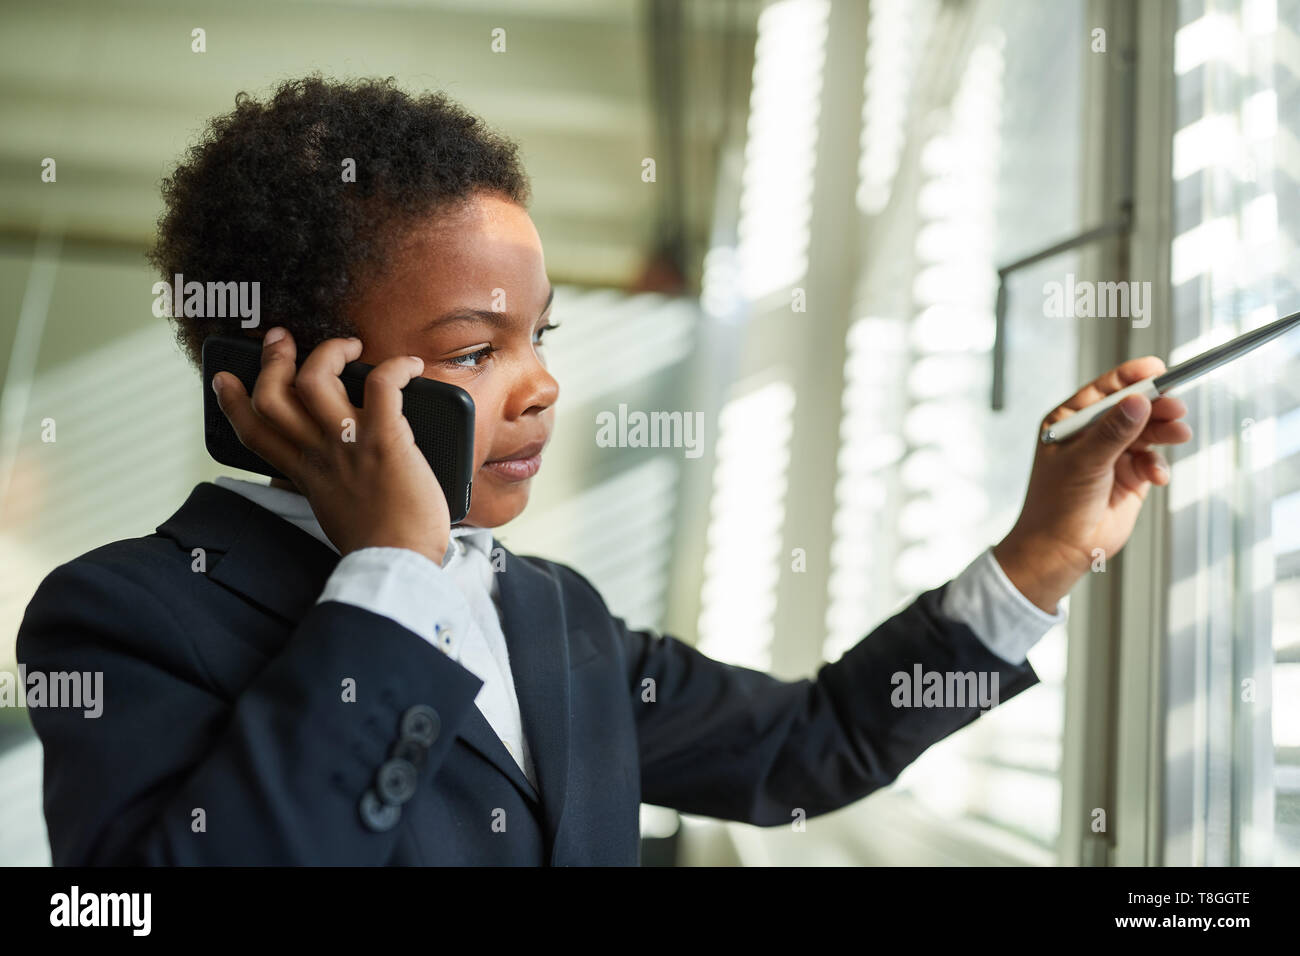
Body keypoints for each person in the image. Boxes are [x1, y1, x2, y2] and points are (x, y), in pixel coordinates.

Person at [16, 76, 1192, 865]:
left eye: (543, 337)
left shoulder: (549, 611)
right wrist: (386, 572)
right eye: (477, 350)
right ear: (300, 377)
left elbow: (800, 745)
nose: (540, 387)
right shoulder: (125, 614)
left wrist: (1041, 551)